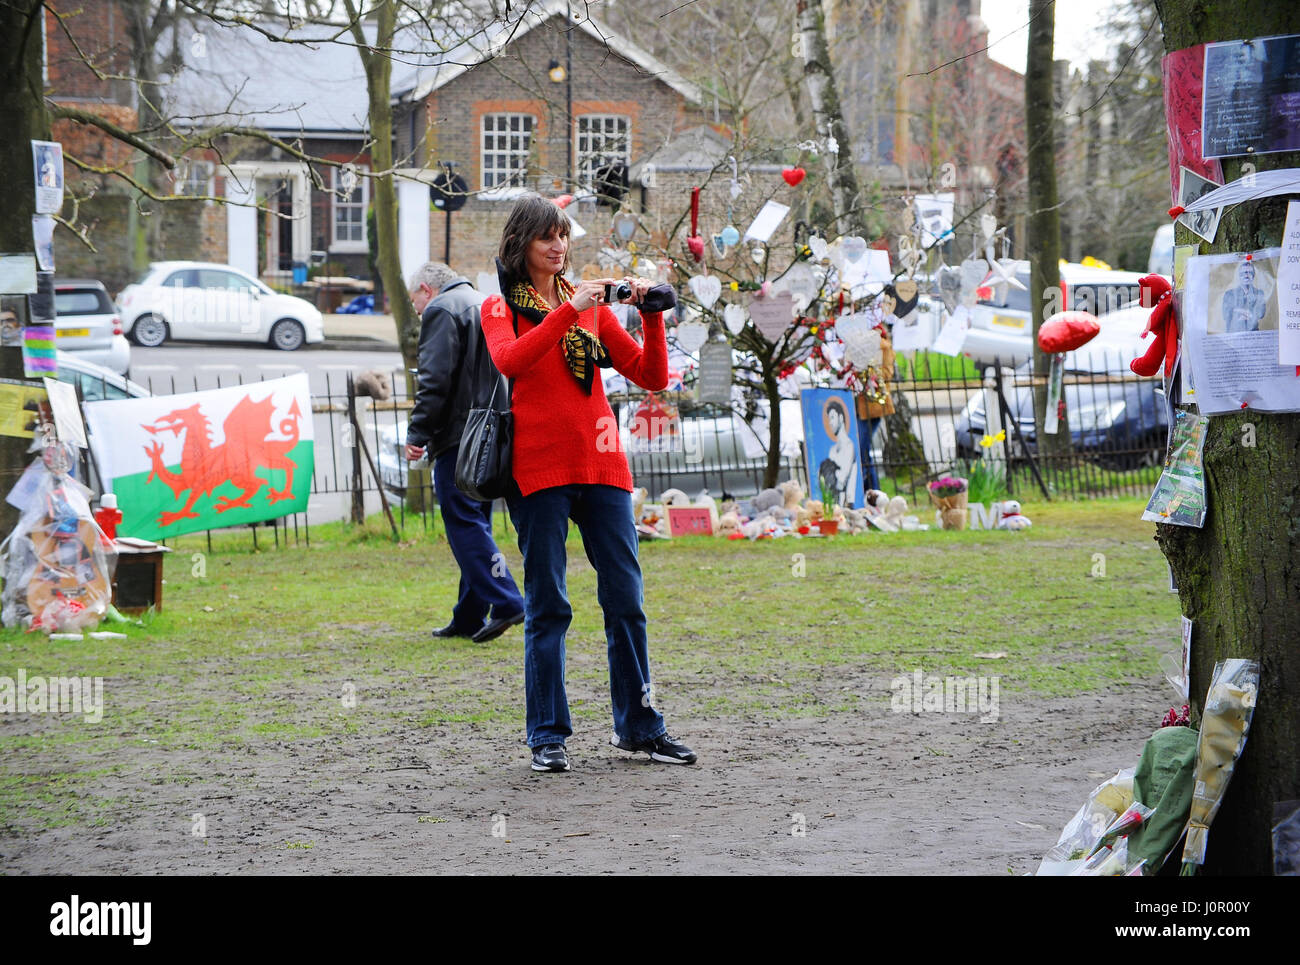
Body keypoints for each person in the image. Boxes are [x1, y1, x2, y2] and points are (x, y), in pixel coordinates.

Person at [480, 192, 696, 773]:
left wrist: (651, 313)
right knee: (549, 605)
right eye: (546, 237)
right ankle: (547, 736)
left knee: (626, 600)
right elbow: (512, 361)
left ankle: (641, 728)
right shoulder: (500, 307)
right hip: (537, 469)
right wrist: (569, 310)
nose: (558, 246)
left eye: (563, 237)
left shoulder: (593, 308)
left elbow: (651, 375)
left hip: (602, 466)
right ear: (520, 243)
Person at [404, 262, 525, 643]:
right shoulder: (485, 302)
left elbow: (434, 378)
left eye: (414, 302)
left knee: (463, 523)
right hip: (491, 431)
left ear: (426, 289)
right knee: (478, 522)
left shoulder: (441, 309)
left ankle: (507, 601)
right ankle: (469, 614)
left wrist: (418, 433)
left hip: (458, 435)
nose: (418, 311)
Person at [855, 323, 896, 490]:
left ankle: (872, 491)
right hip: (856, 404)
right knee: (861, 449)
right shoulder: (855, 347)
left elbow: (887, 373)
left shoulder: (883, 346)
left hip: (873, 405)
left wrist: (867, 372)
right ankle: (869, 490)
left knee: (862, 448)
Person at [1221, 260, 1268, 333]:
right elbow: (1225, 315)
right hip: (1234, 334)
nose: (1246, 276)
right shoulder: (1229, 294)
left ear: (1253, 275)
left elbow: (1261, 313)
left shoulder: (1259, 293)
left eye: (1250, 273)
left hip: (1253, 335)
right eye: (1243, 273)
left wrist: (1237, 310)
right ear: (1239, 276)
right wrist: (1250, 313)